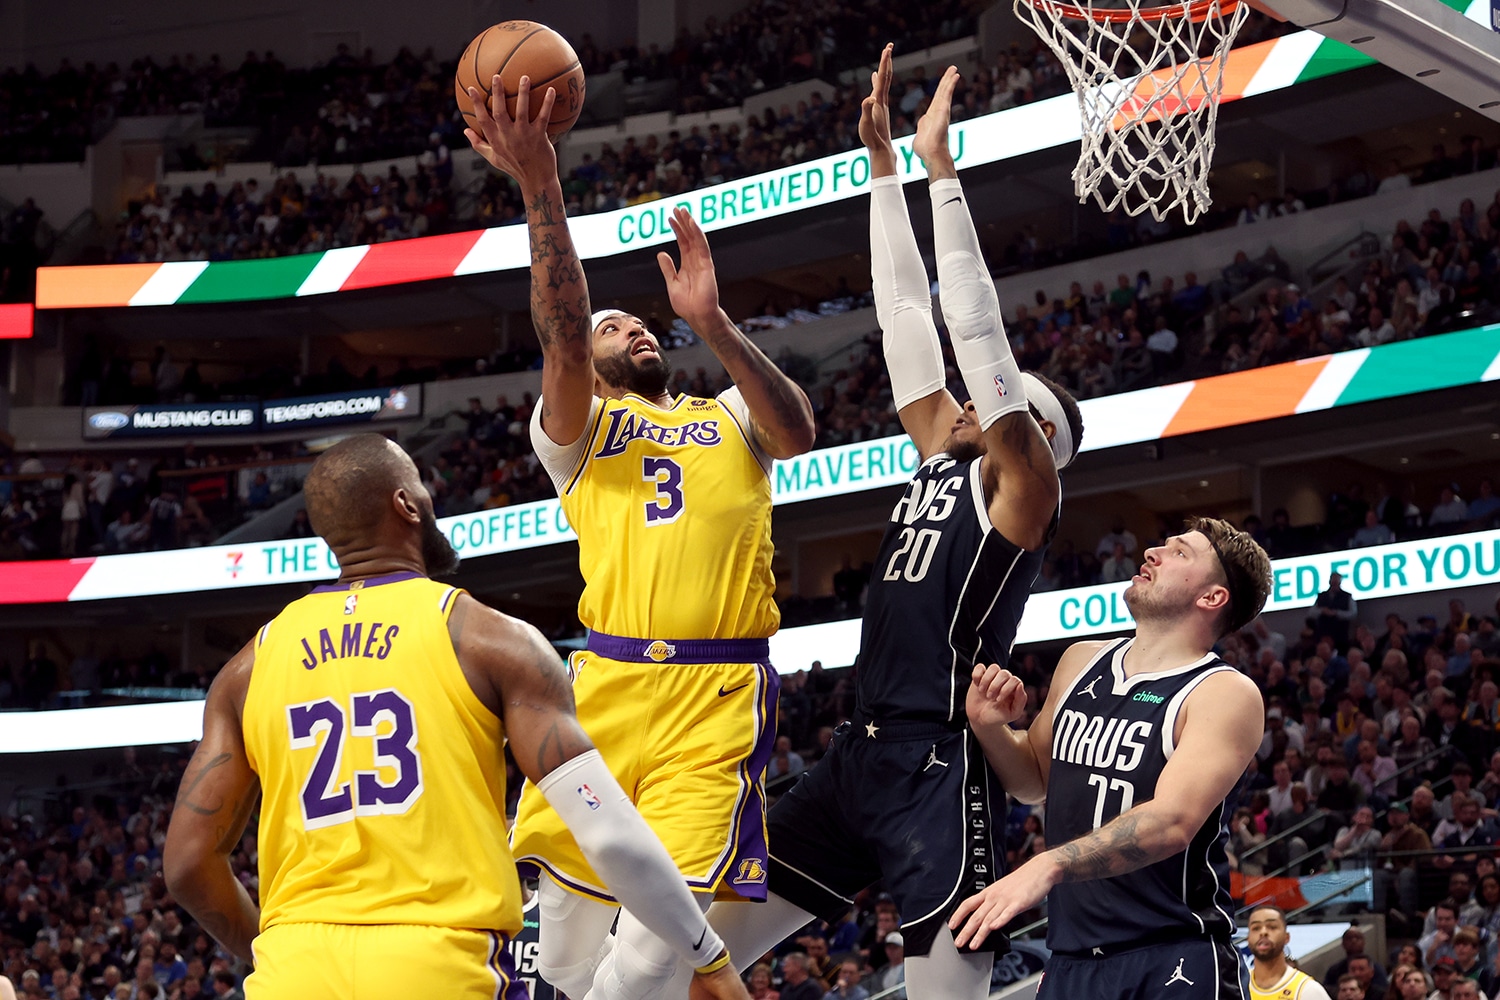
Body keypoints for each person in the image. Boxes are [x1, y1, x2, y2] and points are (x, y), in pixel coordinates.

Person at [665, 50, 1084, 1000]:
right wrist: (886, 172)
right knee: (693, 960)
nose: (964, 400)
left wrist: (944, 176)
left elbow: (977, 336)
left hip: (942, 767)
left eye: (996, 399)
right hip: (858, 754)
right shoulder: (947, 452)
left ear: (1030, 426)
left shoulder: (1022, 493)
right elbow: (906, 318)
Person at [160, 435, 748, 1000]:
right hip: (441, 962)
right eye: (422, 486)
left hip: (293, 971)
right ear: (405, 504)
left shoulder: (246, 669)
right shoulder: (488, 638)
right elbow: (604, 827)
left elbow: (187, 865)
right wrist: (708, 957)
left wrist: (269, 949)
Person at [464, 71, 814, 1000]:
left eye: (645, 323)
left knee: (664, 945)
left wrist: (714, 321)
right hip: (606, 688)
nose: (634, 329)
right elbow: (565, 336)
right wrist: (543, 186)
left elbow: (799, 432)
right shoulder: (574, 437)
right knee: (571, 954)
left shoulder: (728, 414)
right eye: (618, 324)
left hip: (714, 692)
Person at [951, 517, 1274, 1000]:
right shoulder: (1081, 660)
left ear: (1212, 597)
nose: (1152, 553)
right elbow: (1033, 782)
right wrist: (990, 726)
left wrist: (1048, 865)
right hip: (1072, 961)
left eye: (1179, 553)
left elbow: (1171, 822)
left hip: (1171, 956)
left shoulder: (1224, 691)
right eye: (1161, 544)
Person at [1247, 905, 1331, 1000]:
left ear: (1286, 937)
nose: (1263, 932)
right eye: (1256, 928)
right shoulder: (1237, 985)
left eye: (1272, 927)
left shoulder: (1309, 990)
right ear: (1248, 938)